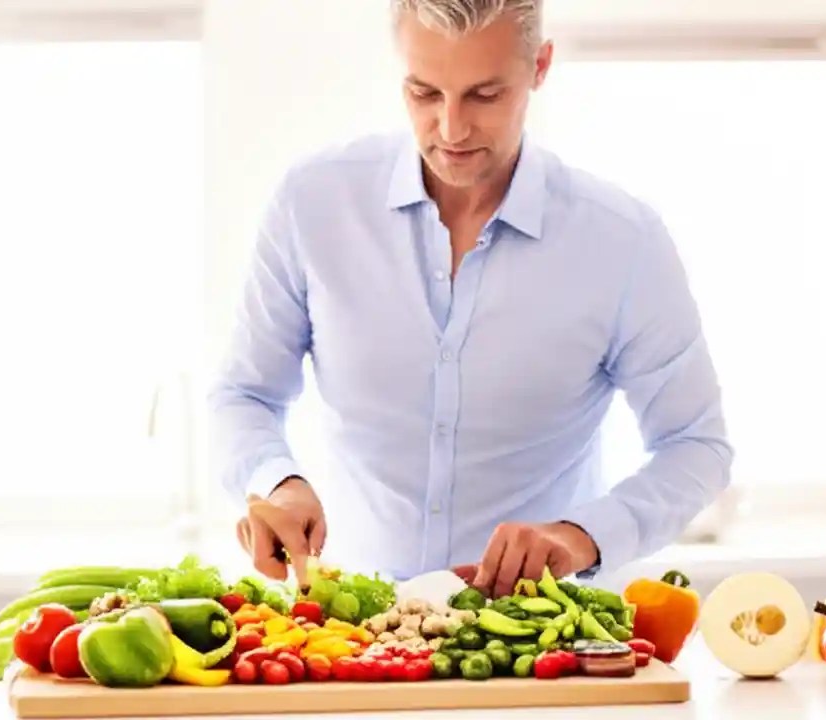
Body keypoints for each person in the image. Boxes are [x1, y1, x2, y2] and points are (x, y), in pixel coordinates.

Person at [209, 0, 733, 598]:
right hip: (352, 637)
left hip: (541, 641)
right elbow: (243, 394)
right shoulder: (314, 205)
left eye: (485, 95)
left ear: (540, 67)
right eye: (424, 92)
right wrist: (276, 481)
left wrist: (580, 536)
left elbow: (696, 445)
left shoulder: (622, 240)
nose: (452, 129)